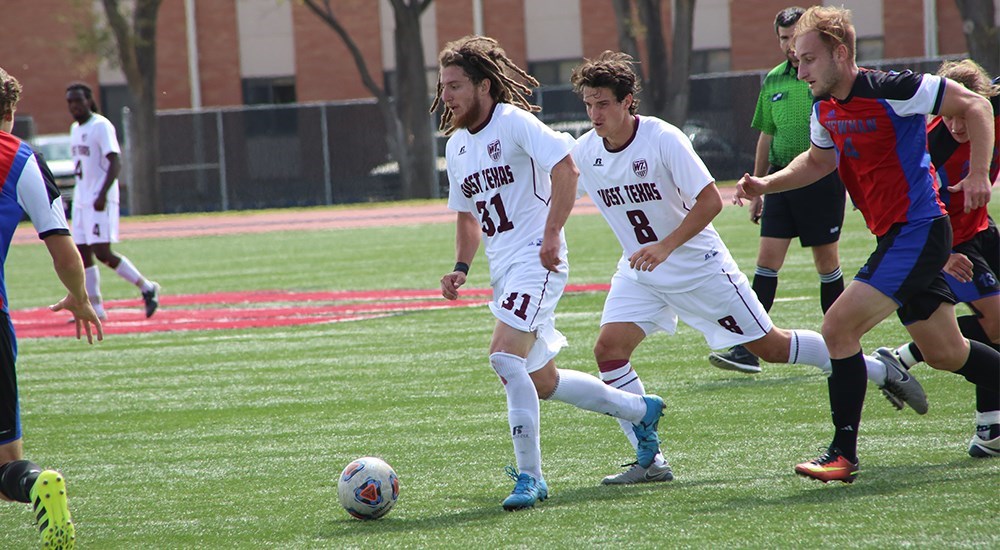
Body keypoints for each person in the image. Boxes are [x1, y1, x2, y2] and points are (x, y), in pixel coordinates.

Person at [564, 50, 924, 485]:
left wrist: (666, 246)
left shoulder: (662, 138)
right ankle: (651, 460)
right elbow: (553, 179)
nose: (594, 113)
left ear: (626, 102)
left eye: (602, 103)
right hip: (641, 270)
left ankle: (881, 369)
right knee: (609, 350)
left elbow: (711, 199)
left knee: (769, 348)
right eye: (588, 104)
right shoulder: (584, 150)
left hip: (699, 267)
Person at [734, 6, 999, 483]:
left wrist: (979, 173)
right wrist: (765, 184)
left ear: (840, 53)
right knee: (945, 352)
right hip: (896, 235)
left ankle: (843, 454)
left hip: (918, 230)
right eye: (796, 61)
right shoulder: (823, 107)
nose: (801, 70)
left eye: (809, 59)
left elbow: (976, 106)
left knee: (837, 328)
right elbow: (817, 162)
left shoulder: (894, 89)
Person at [432, 35, 664, 510]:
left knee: (502, 357)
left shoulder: (514, 123)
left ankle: (530, 478)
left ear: (483, 86)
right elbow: (468, 214)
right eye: (443, 87)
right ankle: (640, 410)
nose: (447, 96)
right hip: (506, 270)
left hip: (536, 261)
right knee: (540, 380)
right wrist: (460, 267)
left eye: (455, 85)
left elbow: (567, 167)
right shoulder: (456, 147)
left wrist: (552, 233)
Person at [708, 6, 846, 374]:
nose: (789, 46)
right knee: (767, 262)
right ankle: (747, 348)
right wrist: (757, 187)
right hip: (780, 180)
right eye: (783, 39)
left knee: (826, 263)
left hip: (820, 180)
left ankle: (843, 342)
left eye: (794, 38)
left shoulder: (824, 74)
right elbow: (766, 134)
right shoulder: (772, 80)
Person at [0, 67, 103, 550]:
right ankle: (35, 485)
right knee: (6, 465)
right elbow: (65, 252)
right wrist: (80, 299)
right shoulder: (21, 160)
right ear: (12, 114)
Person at [888, 61, 1000, 458]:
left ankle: (990, 428)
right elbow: (903, 205)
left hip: (985, 231)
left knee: (996, 328)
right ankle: (909, 354)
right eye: (947, 115)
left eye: (961, 115)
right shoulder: (930, 142)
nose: (955, 124)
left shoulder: (989, 112)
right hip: (951, 242)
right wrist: (943, 254)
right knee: (996, 322)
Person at [66, 82, 160, 320]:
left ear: (89, 100)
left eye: (78, 100)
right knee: (82, 253)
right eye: (70, 101)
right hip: (82, 200)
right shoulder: (75, 129)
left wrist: (101, 194)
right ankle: (95, 307)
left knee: (102, 252)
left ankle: (147, 287)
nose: (74, 105)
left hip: (100, 199)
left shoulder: (101, 125)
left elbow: (115, 162)